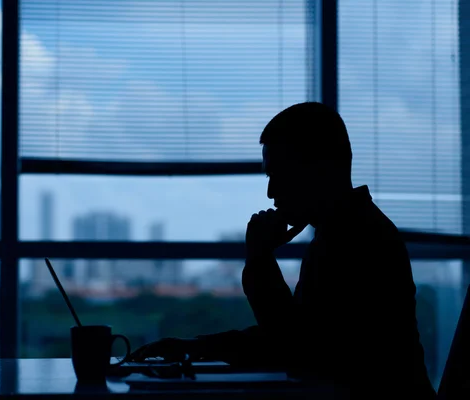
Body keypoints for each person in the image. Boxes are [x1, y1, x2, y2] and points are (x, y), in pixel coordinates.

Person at [131, 102, 436, 398]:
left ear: (319, 169)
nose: (270, 192)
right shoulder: (350, 231)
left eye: (278, 174)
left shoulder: (353, 239)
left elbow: (293, 347)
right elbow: (297, 336)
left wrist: (260, 258)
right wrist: (194, 347)